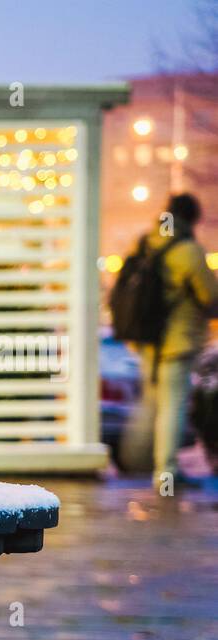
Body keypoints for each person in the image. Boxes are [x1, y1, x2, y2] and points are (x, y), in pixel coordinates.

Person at [124, 193, 218, 489]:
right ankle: (166, 474)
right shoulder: (187, 250)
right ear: (192, 218)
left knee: (152, 404)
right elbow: (210, 296)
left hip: (149, 342)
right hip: (176, 344)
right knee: (172, 409)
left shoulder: (149, 242)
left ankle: (135, 460)